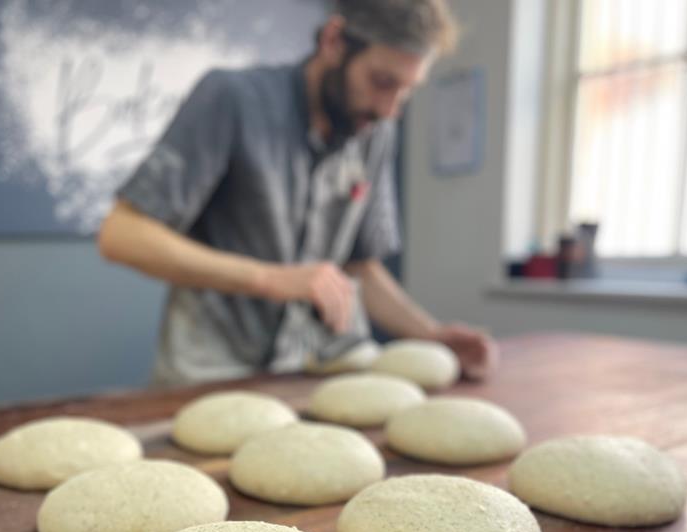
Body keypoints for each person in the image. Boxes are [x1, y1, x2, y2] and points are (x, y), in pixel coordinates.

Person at [99, 0, 499, 386]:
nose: (389, 108)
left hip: (309, 371)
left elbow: (361, 268)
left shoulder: (376, 132)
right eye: (381, 82)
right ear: (333, 41)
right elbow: (122, 234)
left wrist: (430, 335)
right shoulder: (232, 98)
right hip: (208, 374)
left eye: (406, 92)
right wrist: (268, 278)